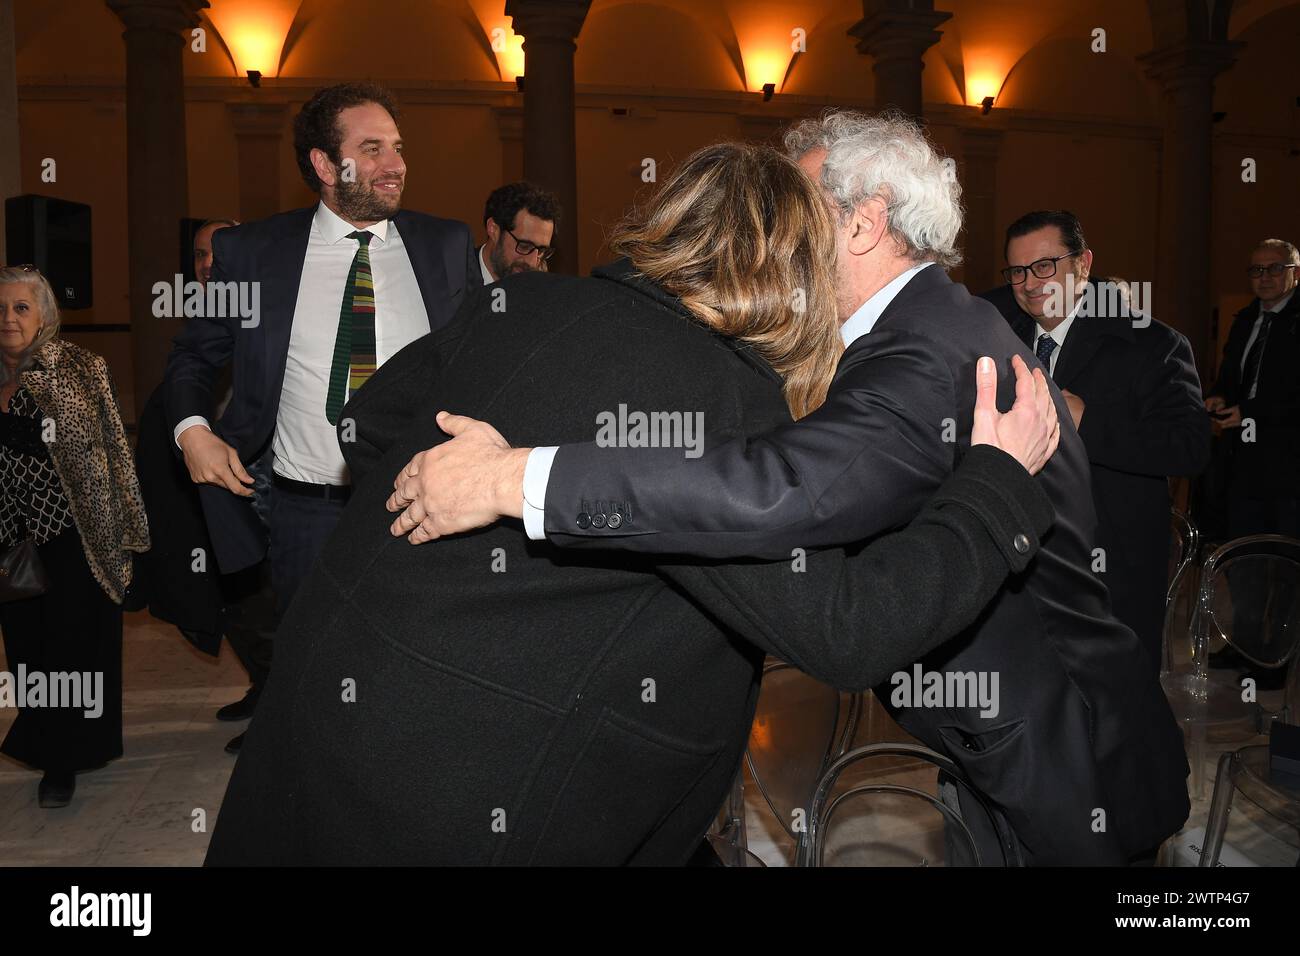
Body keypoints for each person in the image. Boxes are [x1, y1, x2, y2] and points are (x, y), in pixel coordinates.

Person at [205, 141, 1060, 865]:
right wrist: (995, 485)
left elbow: (364, 422)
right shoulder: (732, 410)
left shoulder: (517, 300)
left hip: (315, 725)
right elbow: (850, 631)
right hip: (462, 797)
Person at [393, 111, 1192, 865]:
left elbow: (780, 489)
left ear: (863, 220)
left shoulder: (925, 352)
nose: (780, 234)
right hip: (1020, 732)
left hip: (1057, 750)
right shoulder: (923, 326)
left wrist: (518, 477)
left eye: (799, 206)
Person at [162, 83, 482, 753]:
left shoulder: (446, 248)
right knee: (313, 666)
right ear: (322, 163)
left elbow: (481, 365)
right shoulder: (254, 253)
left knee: (419, 660)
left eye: (397, 148)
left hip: (419, 499)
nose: (395, 164)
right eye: (371, 149)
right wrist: (193, 431)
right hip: (306, 510)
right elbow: (193, 357)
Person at [979, 211, 1210, 672]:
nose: (1030, 283)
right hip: (1013, 557)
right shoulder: (991, 328)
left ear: (1083, 264)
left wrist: (1087, 421)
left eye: (1046, 265)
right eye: (1018, 271)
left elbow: (1189, 446)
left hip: (1108, 565)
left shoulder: (1151, 343)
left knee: (1112, 705)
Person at [0, 265, 149, 807]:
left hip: (74, 535)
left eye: (21, 307)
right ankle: (45, 743)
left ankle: (62, 762)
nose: (10, 318)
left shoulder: (81, 367)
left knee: (74, 651)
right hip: (10, 542)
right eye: (1, 308)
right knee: (28, 653)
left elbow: (112, 451)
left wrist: (133, 538)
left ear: (44, 314)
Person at [132, 218, 275, 749]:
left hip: (266, 490)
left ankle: (280, 713)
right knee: (229, 603)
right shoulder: (199, 326)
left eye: (219, 253)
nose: (209, 264)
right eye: (199, 255)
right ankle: (265, 689)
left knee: (264, 605)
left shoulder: (269, 317)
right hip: (205, 491)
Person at [1203, 239, 1300, 686]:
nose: (1263, 278)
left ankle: (1273, 657)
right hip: (1242, 462)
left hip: (1287, 466)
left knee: (1282, 565)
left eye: (1273, 269)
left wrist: (1252, 413)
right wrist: (1222, 398)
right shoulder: (1246, 320)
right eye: (1256, 270)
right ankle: (1242, 644)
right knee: (1241, 557)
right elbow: (1232, 376)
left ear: (1295, 272)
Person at [478, 182, 560, 283]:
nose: (532, 262)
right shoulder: (456, 279)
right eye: (524, 246)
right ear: (494, 230)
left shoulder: (543, 289)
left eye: (541, 251)